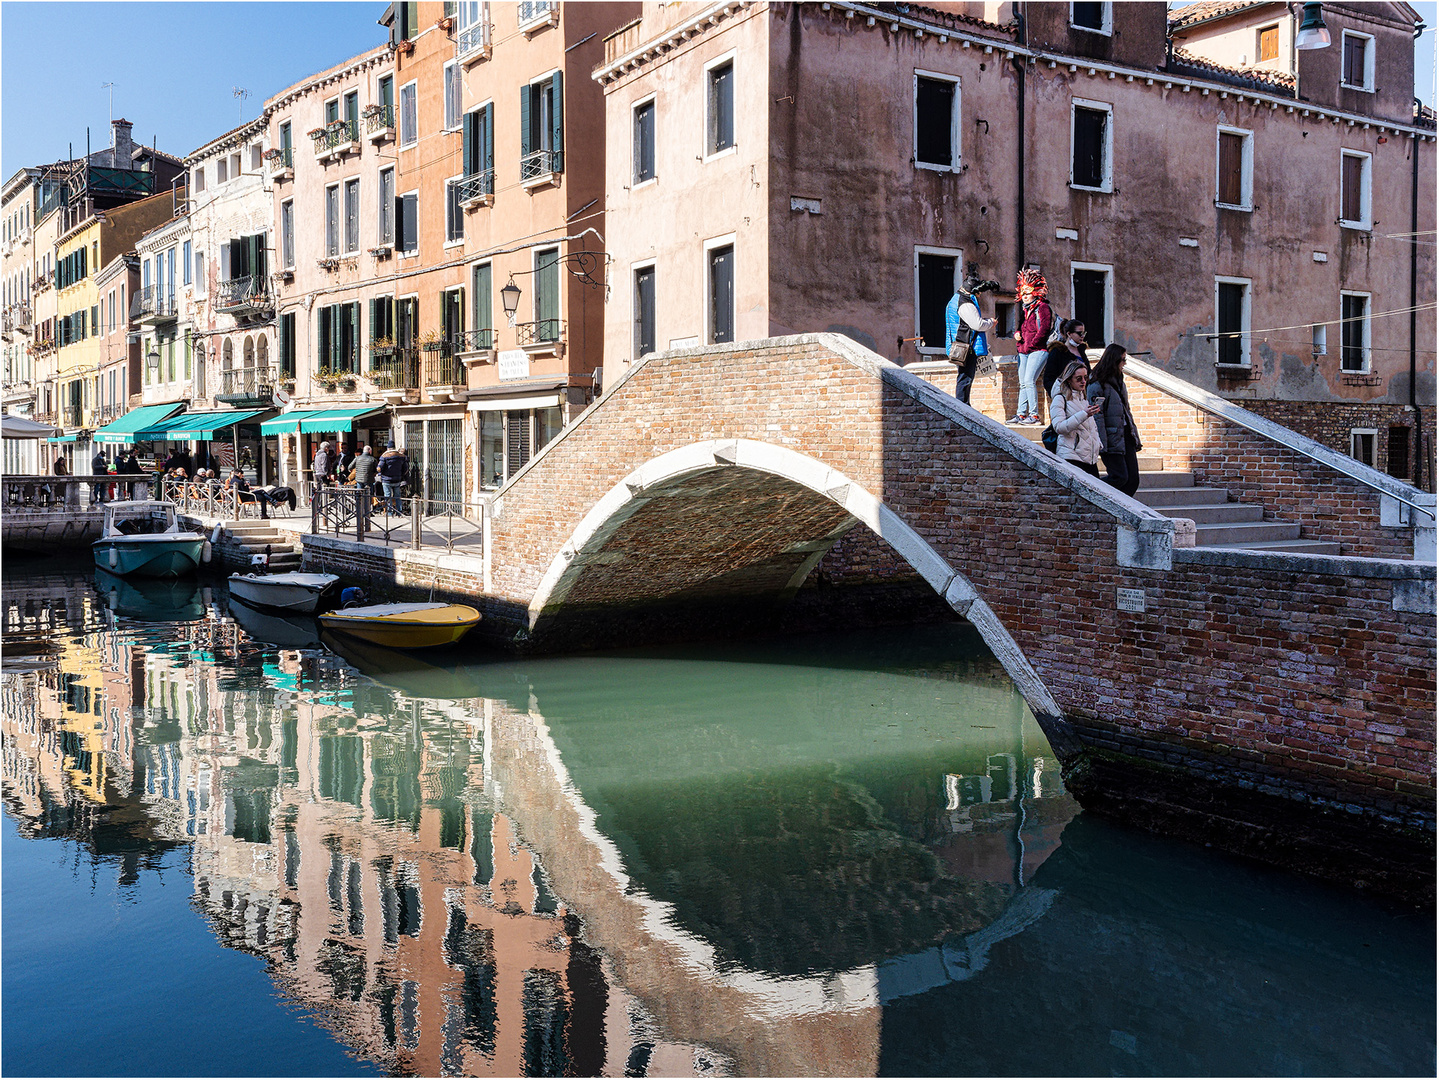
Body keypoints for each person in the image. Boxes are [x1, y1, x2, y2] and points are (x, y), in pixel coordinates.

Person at [1087, 344, 1143, 497]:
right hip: (1110, 437)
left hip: (1126, 435)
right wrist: (1102, 443)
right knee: (1119, 477)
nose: (1125, 363)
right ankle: (1092, 491)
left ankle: (1122, 506)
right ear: (1114, 360)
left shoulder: (1119, 381)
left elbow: (1126, 411)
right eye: (1123, 360)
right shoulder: (1097, 384)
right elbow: (1097, 416)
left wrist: (1134, 435)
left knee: (1133, 480)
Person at [945, 270, 999, 405]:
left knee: (964, 377)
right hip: (966, 346)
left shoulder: (955, 299)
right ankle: (962, 406)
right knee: (965, 378)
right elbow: (977, 324)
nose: (979, 296)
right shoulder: (966, 304)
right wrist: (990, 322)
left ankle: (963, 404)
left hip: (959, 344)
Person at [1049, 359, 1105, 477]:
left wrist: (1097, 443)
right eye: (1079, 379)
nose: (1083, 381)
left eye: (1085, 377)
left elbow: (1088, 427)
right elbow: (1059, 427)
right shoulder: (1060, 399)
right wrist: (1084, 414)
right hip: (1071, 456)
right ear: (1069, 379)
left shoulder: (1083, 398)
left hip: (1089, 458)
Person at [1011, 268, 1053, 425]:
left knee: (1029, 381)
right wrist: (1017, 334)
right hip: (1023, 351)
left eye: (1027, 293)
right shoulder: (1025, 310)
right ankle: (1021, 414)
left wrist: (1033, 342)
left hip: (1038, 350)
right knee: (1023, 383)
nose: (1025, 296)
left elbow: (1045, 328)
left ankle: (1034, 415)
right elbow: (1021, 327)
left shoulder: (1043, 308)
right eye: (1023, 293)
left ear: (1035, 292)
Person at [1043, 320, 1089, 399]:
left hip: (1082, 395)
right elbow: (1049, 377)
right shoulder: (1058, 352)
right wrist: (1058, 395)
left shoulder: (1082, 351)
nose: (1082, 336)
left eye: (1084, 333)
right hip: (1066, 395)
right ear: (1069, 334)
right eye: (1079, 333)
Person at [377, 445, 408, 515]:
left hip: (386, 480)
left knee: (388, 496)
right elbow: (405, 469)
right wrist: (400, 475)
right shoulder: (401, 457)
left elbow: (379, 468)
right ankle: (399, 511)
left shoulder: (384, 456)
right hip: (397, 479)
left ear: (388, 448)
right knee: (397, 496)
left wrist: (380, 473)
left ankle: (389, 512)